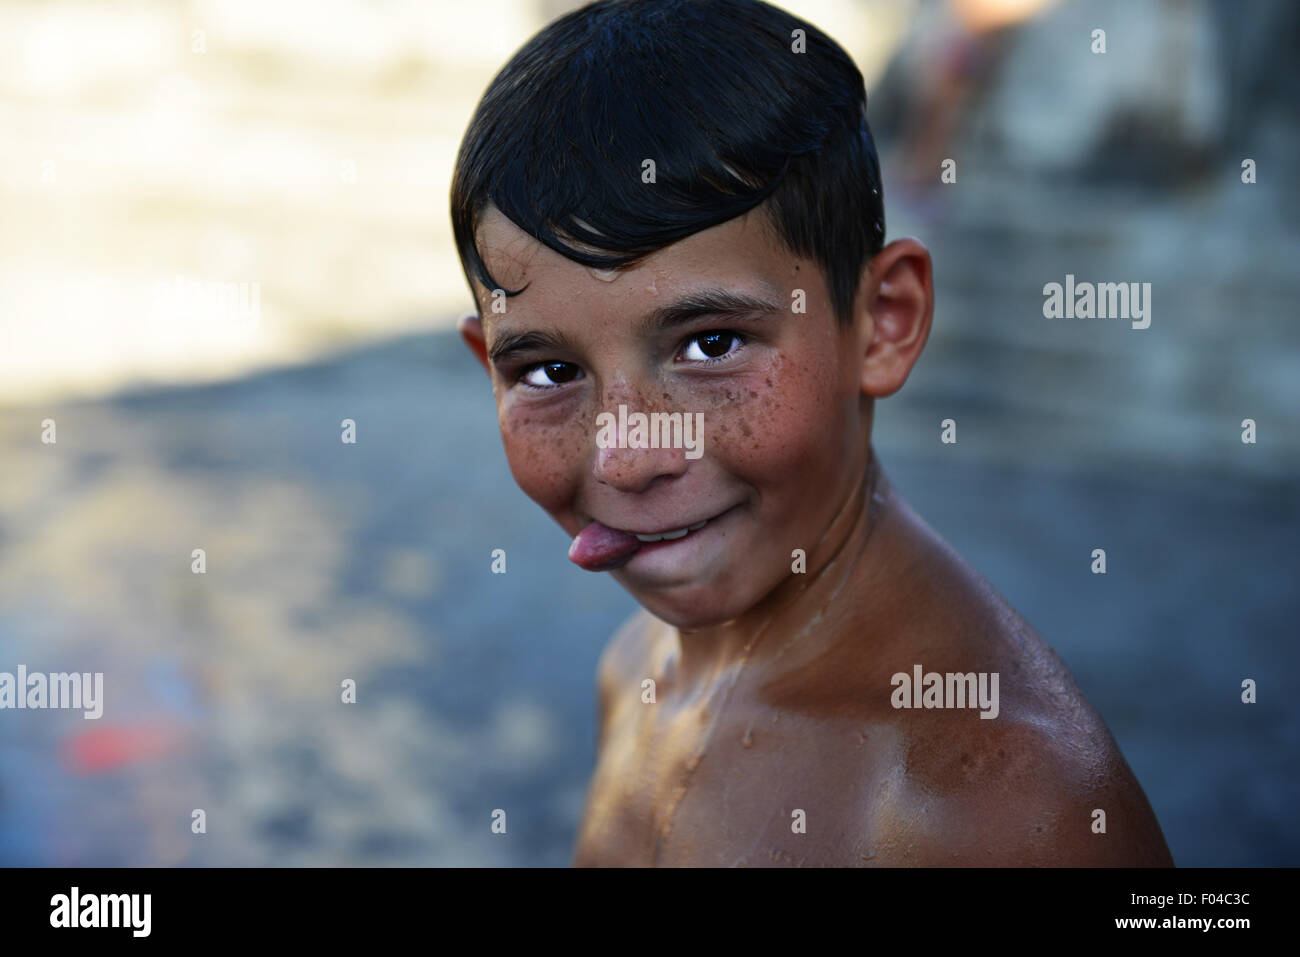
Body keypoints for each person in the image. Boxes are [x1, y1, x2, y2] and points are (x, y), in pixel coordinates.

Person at [450, 0, 1173, 866]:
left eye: (712, 345)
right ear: (487, 365)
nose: (627, 456)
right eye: (549, 371)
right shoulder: (637, 668)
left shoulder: (998, 803)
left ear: (883, 321)